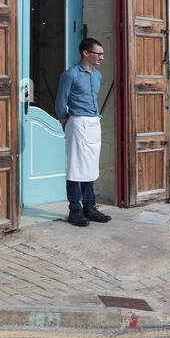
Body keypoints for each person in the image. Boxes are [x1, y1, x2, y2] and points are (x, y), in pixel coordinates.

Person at [55, 37, 111, 227]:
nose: (102, 57)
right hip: (78, 123)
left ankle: (90, 207)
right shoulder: (70, 74)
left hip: (94, 123)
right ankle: (75, 210)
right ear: (86, 53)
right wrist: (64, 121)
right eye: (98, 53)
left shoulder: (97, 76)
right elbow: (61, 102)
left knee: (90, 167)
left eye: (102, 54)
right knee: (76, 168)